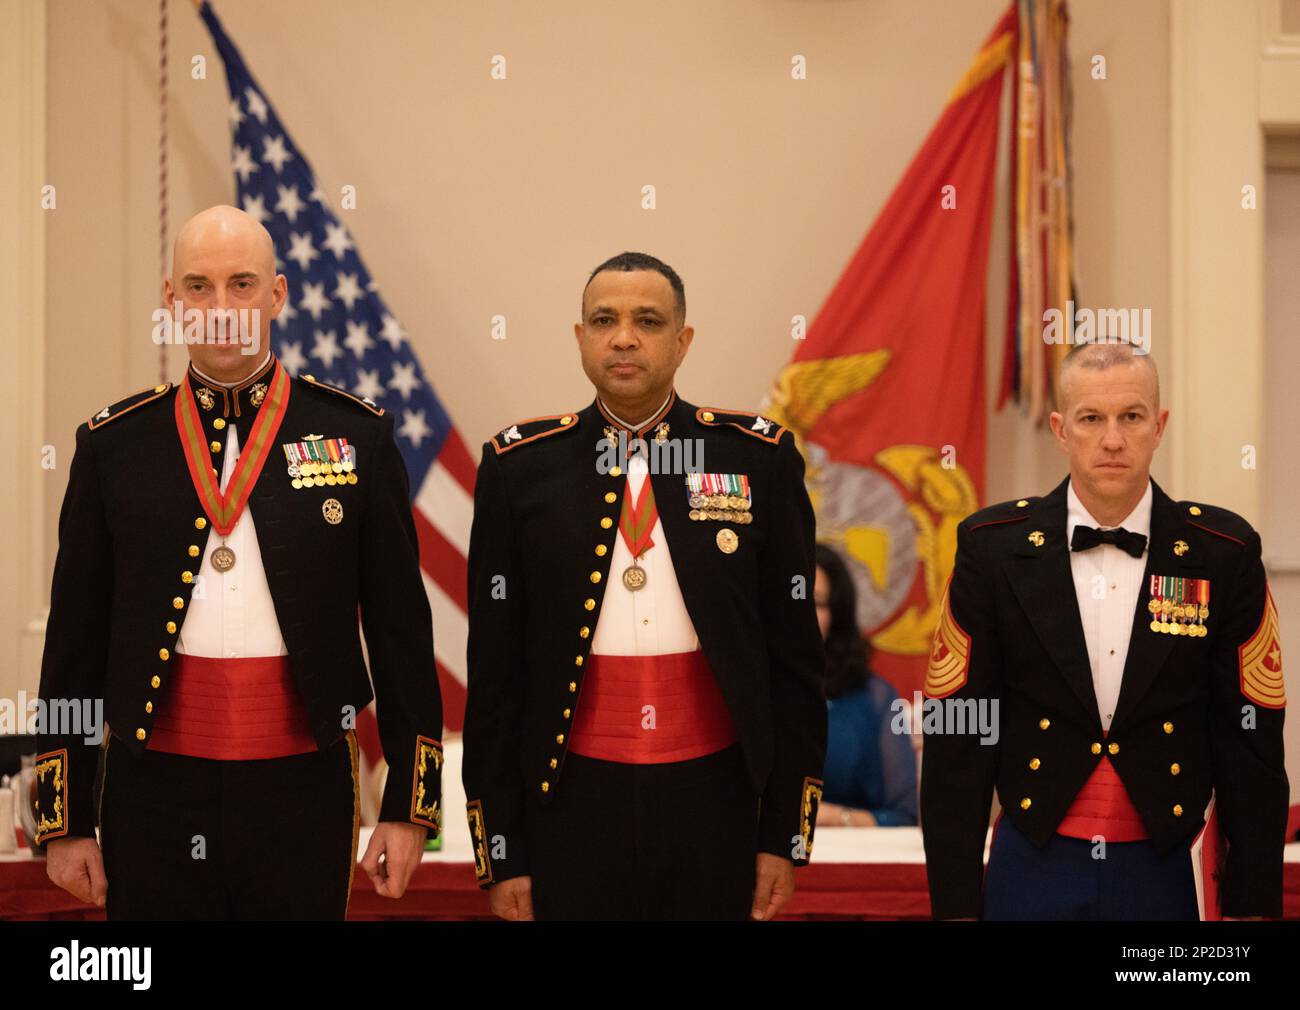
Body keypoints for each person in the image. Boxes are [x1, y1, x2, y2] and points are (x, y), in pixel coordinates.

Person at [33, 205, 443, 919]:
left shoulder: (357, 437)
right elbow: (74, 643)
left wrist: (411, 807)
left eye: (242, 284)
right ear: (172, 301)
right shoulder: (114, 447)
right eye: (198, 287)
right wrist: (63, 823)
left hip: (304, 786)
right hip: (151, 786)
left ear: (277, 295)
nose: (221, 309)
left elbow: (403, 638)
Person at [462, 251, 827, 920]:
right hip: (568, 801)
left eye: (648, 321)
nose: (624, 337)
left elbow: (795, 672)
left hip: (715, 801)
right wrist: (502, 847)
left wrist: (785, 836)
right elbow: (494, 681)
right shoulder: (520, 471)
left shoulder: (758, 459)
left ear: (683, 341)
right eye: (604, 320)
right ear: (580, 339)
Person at [920, 340, 1287, 920]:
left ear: (1159, 426)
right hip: (1034, 862)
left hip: (1168, 867)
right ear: (1061, 430)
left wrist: (1252, 904)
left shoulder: (1223, 553)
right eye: (1092, 419)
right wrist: (956, 907)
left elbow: (1252, 742)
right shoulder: (992, 548)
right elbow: (959, 737)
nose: (1112, 440)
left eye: (1131, 417)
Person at [814, 543, 917, 827]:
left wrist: (834, 817)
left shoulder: (875, 697)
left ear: (837, 614)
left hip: (850, 857)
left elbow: (905, 816)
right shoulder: (747, 692)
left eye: (818, 603)